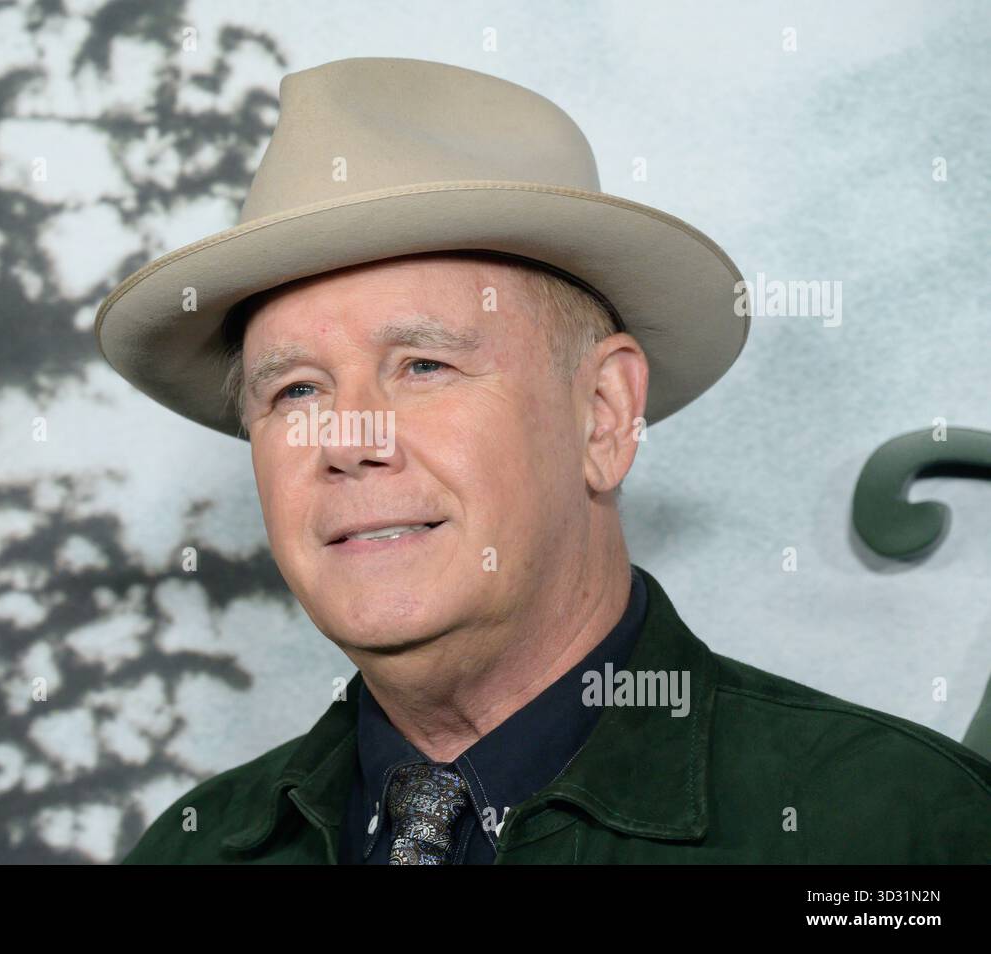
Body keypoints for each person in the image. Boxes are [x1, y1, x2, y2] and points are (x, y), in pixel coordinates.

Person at [94, 57, 991, 863]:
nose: (348, 444)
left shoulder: (895, 833)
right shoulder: (195, 850)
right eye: (295, 391)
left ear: (604, 417)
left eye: (424, 366)